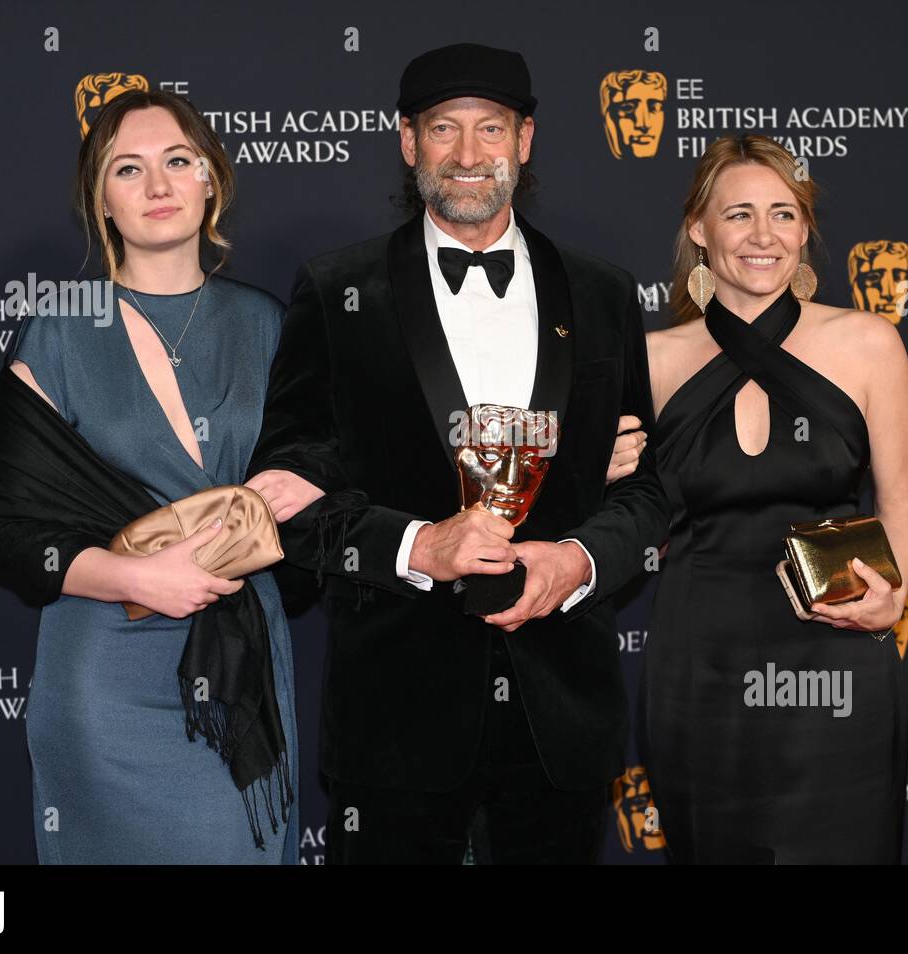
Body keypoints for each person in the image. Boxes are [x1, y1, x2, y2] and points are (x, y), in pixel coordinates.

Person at [249, 42, 670, 864]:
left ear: (526, 140)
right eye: (445, 129)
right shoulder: (339, 290)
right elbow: (286, 498)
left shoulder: (604, 291)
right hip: (396, 718)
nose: (470, 156)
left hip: (562, 716)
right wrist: (418, 545)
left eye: (491, 129)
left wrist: (577, 562)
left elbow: (647, 490)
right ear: (409, 143)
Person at [0, 89, 313, 863]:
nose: (158, 186)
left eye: (178, 161)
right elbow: (12, 537)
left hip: (241, 667)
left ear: (212, 181)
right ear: (101, 201)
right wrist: (146, 580)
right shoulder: (61, 330)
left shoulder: (269, 325)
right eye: (128, 169)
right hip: (106, 671)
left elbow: (336, 474)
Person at [611, 134, 908, 863]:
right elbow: (622, 513)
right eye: (739, 214)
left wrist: (895, 593)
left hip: (837, 653)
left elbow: (901, 502)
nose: (763, 236)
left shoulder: (868, 343)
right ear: (699, 230)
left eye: (783, 215)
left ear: (805, 230)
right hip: (698, 671)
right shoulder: (651, 360)